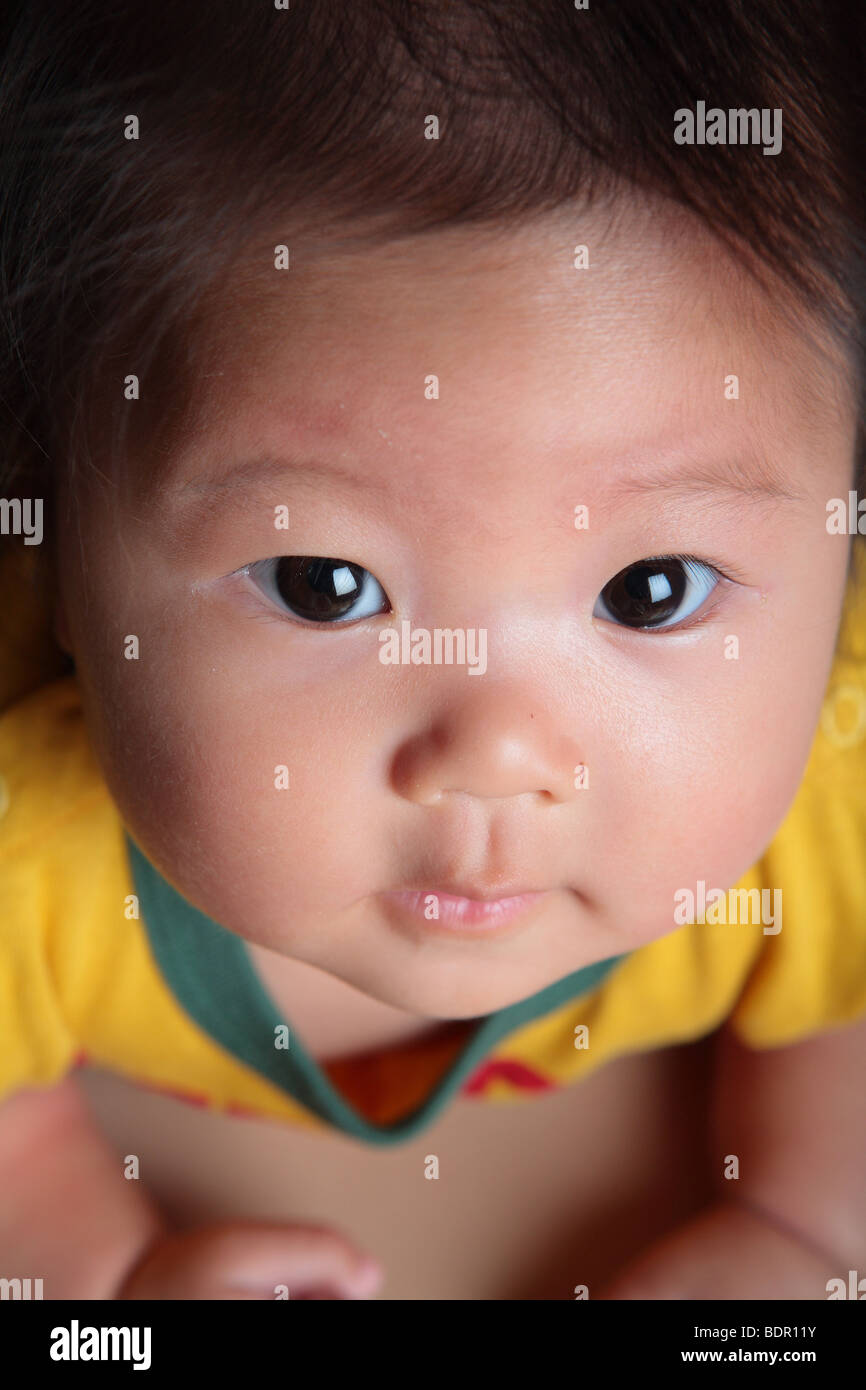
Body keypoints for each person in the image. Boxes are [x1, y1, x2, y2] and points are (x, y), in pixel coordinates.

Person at [0, 0, 864, 1300]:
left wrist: (803, 1227)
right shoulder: (28, 870)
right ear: (63, 560)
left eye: (651, 589)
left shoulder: (828, 808)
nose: (495, 755)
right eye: (323, 583)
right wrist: (102, 1275)